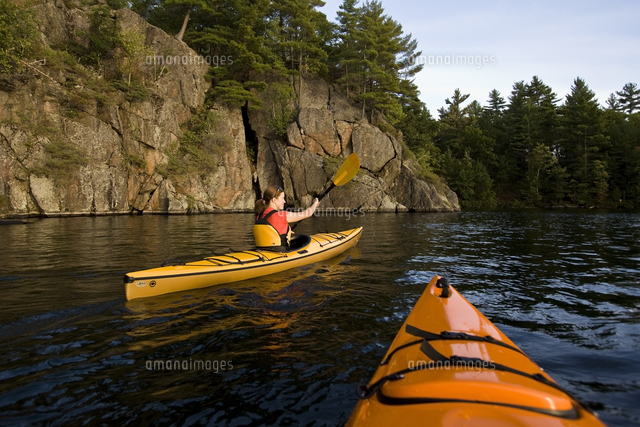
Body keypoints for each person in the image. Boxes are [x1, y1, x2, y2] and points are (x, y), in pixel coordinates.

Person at [253, 185, 319, 250]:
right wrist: (315, 203)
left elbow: (271, 232)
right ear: (274, 200)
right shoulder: (281, 215)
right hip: (280, 252)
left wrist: (288, 231)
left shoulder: (260, 216)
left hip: (263, 251)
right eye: (282, 198)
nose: (284, 201)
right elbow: (308, 213)